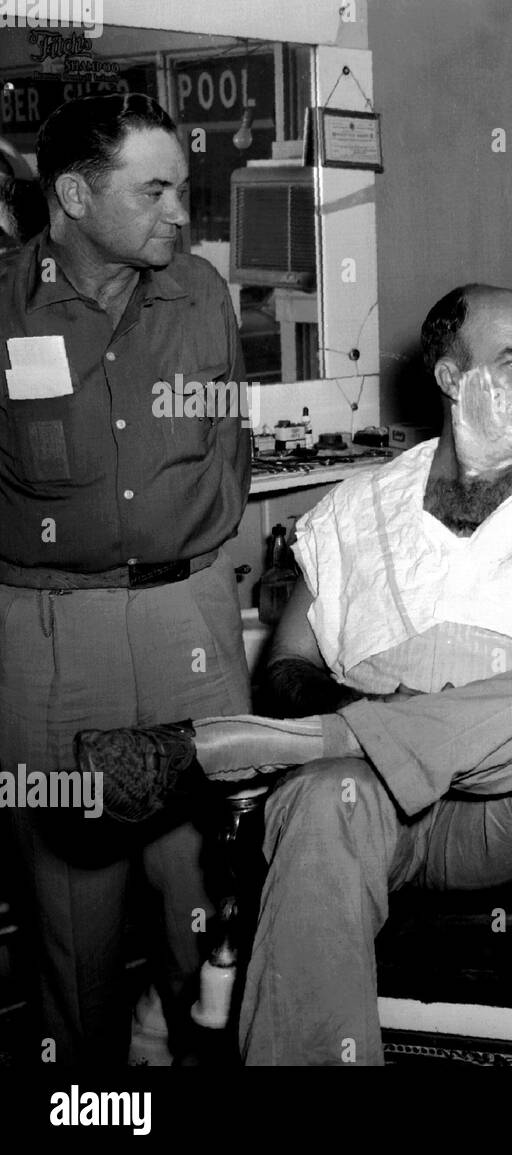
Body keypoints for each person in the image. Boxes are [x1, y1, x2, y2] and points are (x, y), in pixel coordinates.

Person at [74, 284, 512, 1065]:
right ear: (450, 377)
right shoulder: (356, 508)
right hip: (368, 803)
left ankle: (225, 747)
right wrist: (387, 716)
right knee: (315, 798)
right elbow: (284, 668)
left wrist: (484, 712)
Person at [0, 93, 251, 1064]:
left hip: (190, 617)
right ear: (72, 194)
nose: (180, 213)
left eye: (182, 189)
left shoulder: (200, 293)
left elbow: (226, 446)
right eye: (154, 192)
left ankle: (203, 1051)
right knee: (74, 917)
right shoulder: (6, 306)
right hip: (57, 636)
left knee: (213, 887)